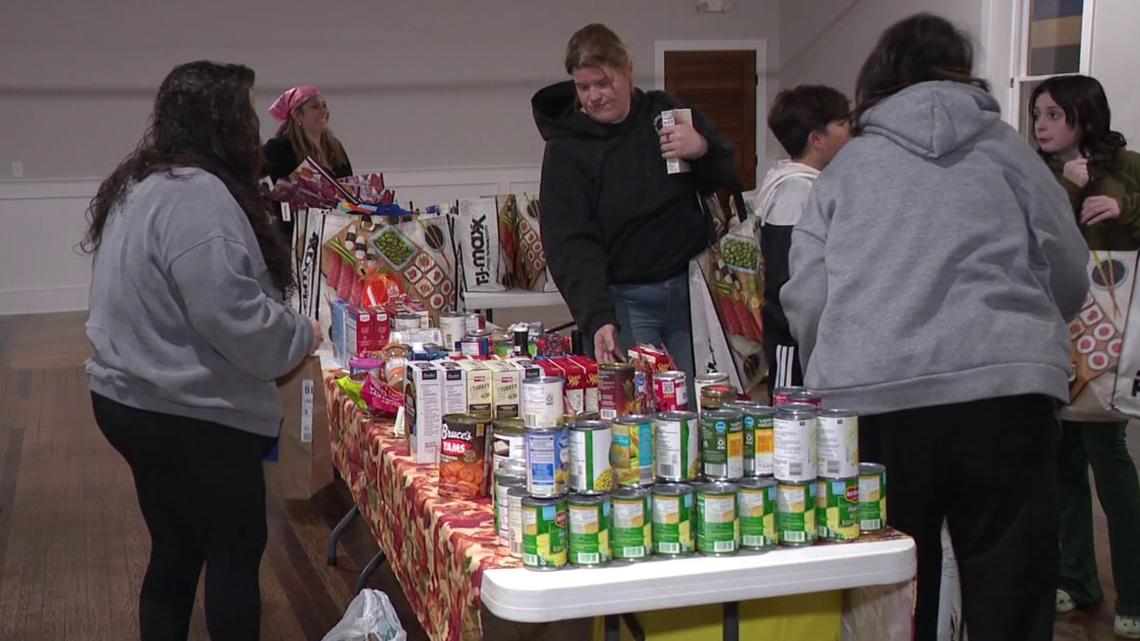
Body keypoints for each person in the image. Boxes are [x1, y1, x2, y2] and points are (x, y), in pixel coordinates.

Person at [780, 14, 1089, 641]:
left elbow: (807, 294)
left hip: (876, 397)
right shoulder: (1009, 151)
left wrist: (835, 364)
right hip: (1006, 389)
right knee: (1013, 589)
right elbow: (1069, 268)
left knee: (890, 596)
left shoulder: (847, 170)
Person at [82, 61, 320, 641]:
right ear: (220, 123)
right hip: (189, 412)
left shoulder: (141, 182)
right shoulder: (198, 196)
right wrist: (300, 333)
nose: (250, 126)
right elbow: (233, 318)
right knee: (234, 553)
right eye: (242, 112)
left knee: (176, 548)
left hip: (129, 399)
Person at [532, 23, 737, 383]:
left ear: (628, 71)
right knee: (640, 413)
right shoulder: (567, 148)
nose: (594, 96)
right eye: (583, 87)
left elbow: (724, 175)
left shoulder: (666, 113)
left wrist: (701, 148)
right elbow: (569, 243)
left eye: (603, 83)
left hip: (694, 290)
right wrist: (597, 316)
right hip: (627, 300)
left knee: (705, 401)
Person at [1030, 73, 1140, 639]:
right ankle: (1077, 578)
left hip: (1112, 331)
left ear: (1084, 114)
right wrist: (1069, 192)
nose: (1042, 126)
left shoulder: (1129, 167)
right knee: (1063, 459)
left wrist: (1121, 207)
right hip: (1052, 329)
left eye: (1053, 114)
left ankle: (1135, 592)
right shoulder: (1034, 174)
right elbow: (1034, 240)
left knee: (1109, 456)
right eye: (1038, 115)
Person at [755, 85, 851, 392]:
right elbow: (785, 276)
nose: (851, 132)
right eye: (843, 123)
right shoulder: (796, 191)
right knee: (790, 415)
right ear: (817, 139)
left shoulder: (806, 184)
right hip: (791, 337)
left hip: (810, 333)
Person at [263, 84, 353, 238]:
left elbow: (349, 187)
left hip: (334, 234)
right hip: (296, 237)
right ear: (298, 116)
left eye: (324, 105)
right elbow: (250, 173)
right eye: (315, 107)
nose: (324, 111)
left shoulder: (335, 147)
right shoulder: (280, 148)